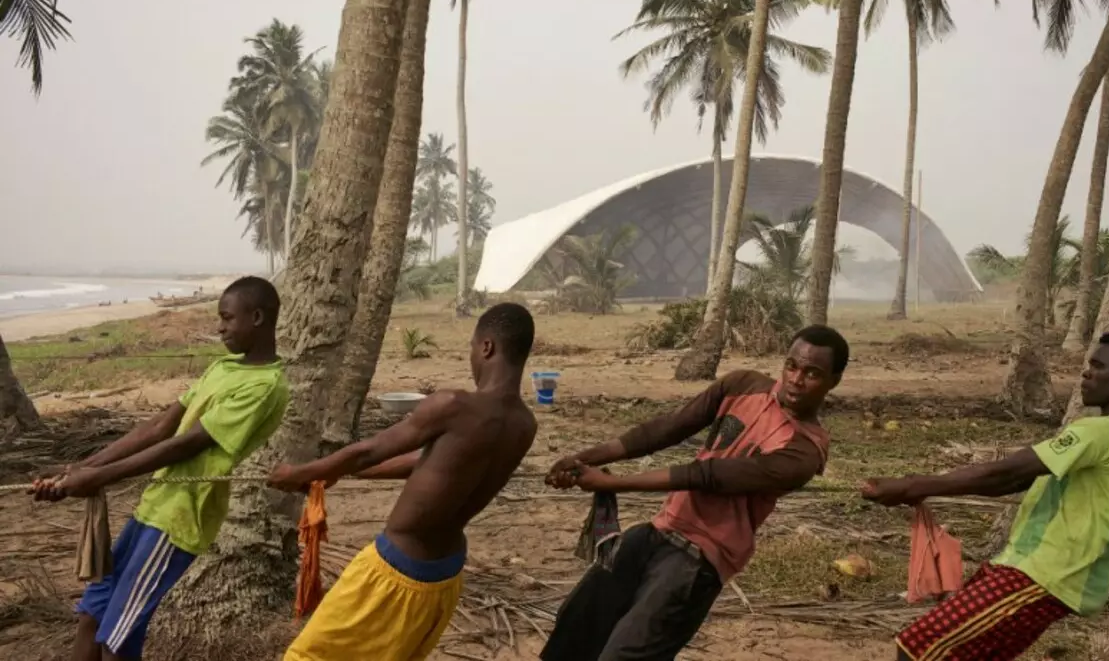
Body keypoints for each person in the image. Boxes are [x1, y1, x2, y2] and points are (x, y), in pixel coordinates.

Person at [541, 325, 850, 661]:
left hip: (698, 560)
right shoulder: (742, 385)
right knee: (576, 625)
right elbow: (669, 428)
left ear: (834, 380)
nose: (796, 380)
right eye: (791, 366)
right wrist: (584, 459)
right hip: (659, 530)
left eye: (812, 373)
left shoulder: (803, 453)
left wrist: (608, 482)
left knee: (624, 655)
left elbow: (706, 476)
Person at [30, 276, 290, 661]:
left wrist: (97, 478)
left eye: (226, 318)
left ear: (256, 317)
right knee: (91, 615)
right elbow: (159, 427)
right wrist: (79, 469)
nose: (219, 327)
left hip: (181, 519)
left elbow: (188, 444)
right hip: (154, 506)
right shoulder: (223, 368)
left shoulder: (267, 386)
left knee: (116, 639)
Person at [863, 331, 1109, 661]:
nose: (1086, 372)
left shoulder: (1103, 432)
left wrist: (913, 486)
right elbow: (1009, 483)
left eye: (1097, 365)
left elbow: (1007, 473)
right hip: (1037, 571)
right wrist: (917, 487)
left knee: (919, 647)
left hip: (1044, 573)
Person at [268, 302, 539, 661]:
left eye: (472, 348)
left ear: (486, 347)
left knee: (307, 656)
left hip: (395, 571)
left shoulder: (455, 405)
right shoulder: (524, 425)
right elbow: (432, 462)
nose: (472, 358)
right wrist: (340, 471)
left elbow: (370, 449)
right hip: (445, 576)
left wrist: (299, 473)